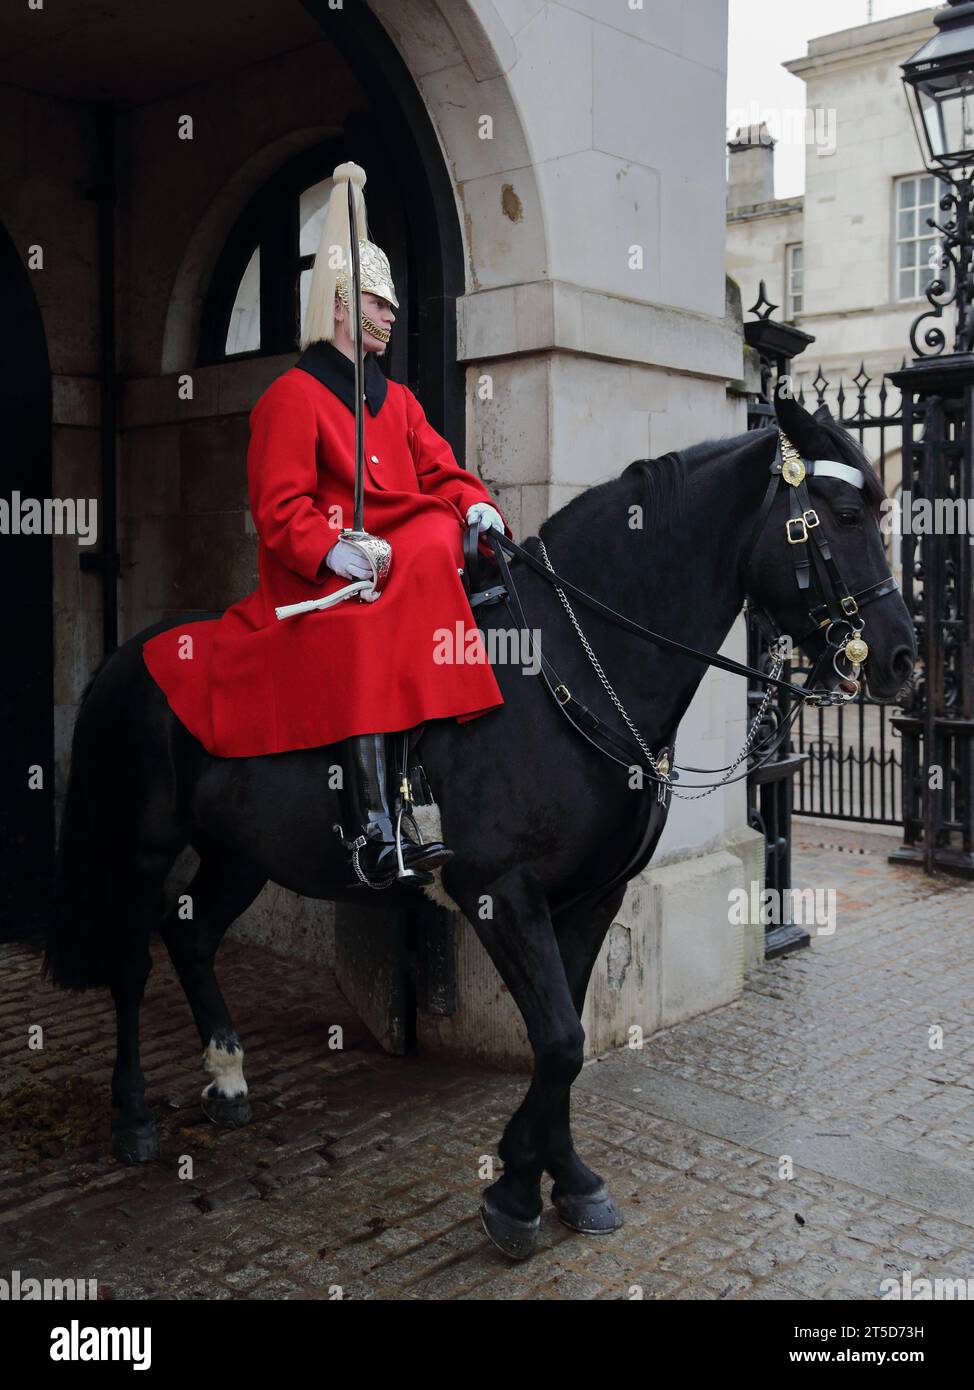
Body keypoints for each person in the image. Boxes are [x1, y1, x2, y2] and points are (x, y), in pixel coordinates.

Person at [142, 162, 513, 888]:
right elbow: (279, 508)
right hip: (324, 585)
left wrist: (473, 499)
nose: (393, 314)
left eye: (394, 304)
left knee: (439, 539)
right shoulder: (291, 397)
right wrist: (332, 551)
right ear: (341, 309)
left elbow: (439, 469)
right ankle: (373, 825)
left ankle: (429, 792)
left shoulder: (398, 402)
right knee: (371, 621)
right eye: (379, 302)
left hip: (396, 563)